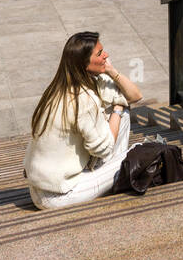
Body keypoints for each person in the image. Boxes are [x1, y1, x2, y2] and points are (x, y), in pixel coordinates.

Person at [24, 32, 142, 210]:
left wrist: (110, 70)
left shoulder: (59, 88)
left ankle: (112, 178)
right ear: (85, 63)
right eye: (100, 53)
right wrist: (117, 109)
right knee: (138, 154)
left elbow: (135, 96)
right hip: (61, 194)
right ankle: (117, 182)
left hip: (40, 188)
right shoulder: (83, 99)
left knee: (122, 114)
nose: (106, 55)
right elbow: (104, 149)